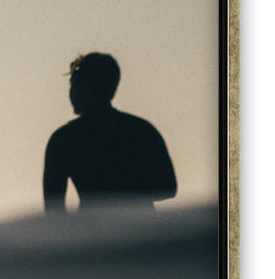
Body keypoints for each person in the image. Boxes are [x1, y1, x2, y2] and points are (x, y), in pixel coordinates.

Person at [42, 54, 177, 212]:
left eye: (74, 84)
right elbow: (168, 187)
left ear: (81, 87)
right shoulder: (141, 130)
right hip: (142, 232)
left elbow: (53, 210)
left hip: (96, 233)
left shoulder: (64, 139)